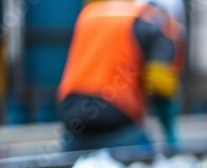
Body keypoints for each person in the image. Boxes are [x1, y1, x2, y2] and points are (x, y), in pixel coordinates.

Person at [57, 0, 186, 151]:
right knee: (144, 161)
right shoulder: (154, 23)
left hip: (72, 117)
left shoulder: (91, 12)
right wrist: (169, 132)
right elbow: (159, 84)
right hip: (117, 123)